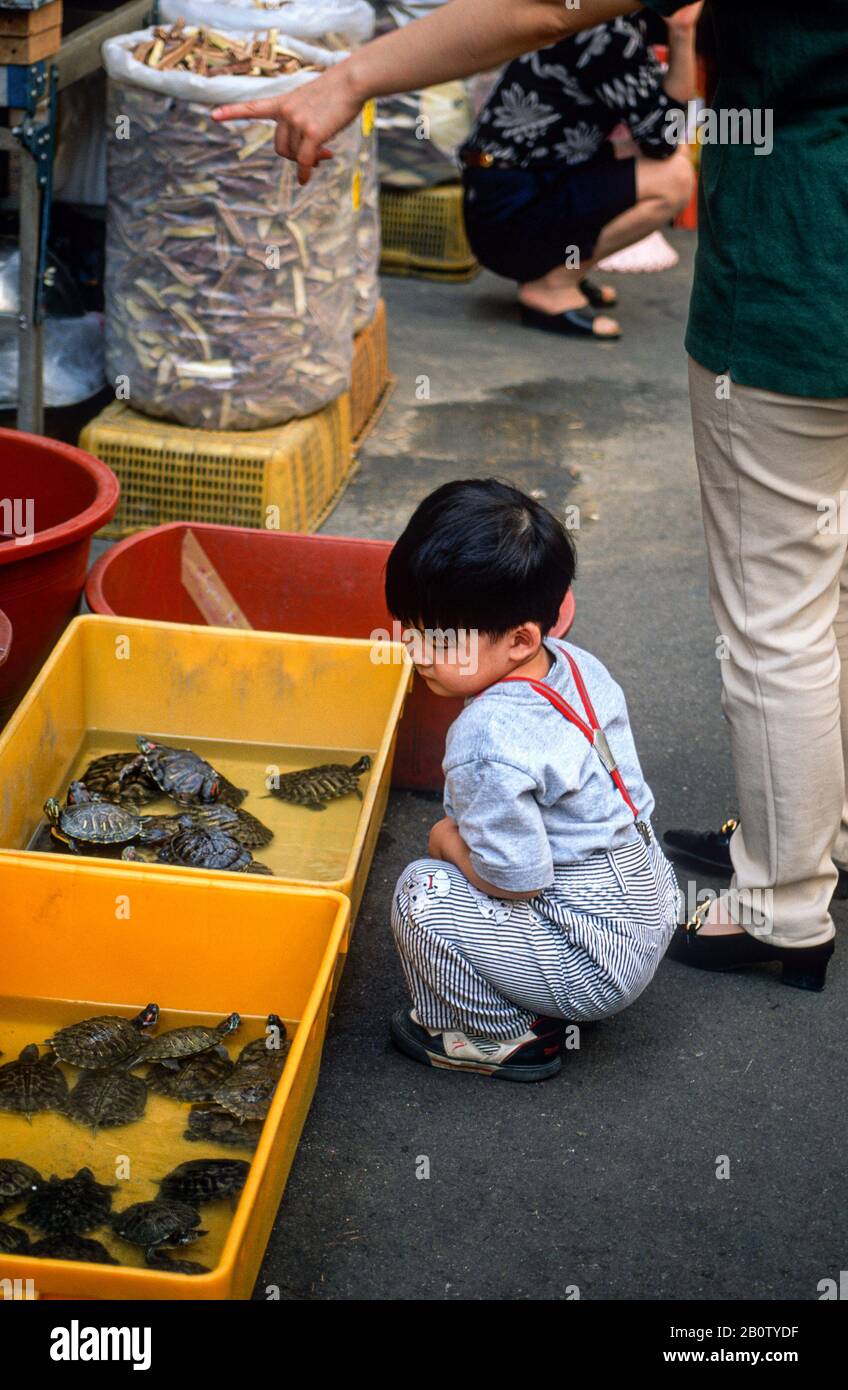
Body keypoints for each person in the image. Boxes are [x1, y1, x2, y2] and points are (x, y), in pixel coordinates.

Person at [216, 0, 848, 993]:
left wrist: (349, 77)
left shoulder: (489, 732)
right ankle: (814, 833)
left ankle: (783, 905)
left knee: (776, 616)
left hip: (802, 269)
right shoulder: (574, 686)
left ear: (538, 627)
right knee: (827, 570)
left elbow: (533, 9)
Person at [382, 479, 680, 1080]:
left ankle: (499, 1035)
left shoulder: (485, 738)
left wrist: (444, 839)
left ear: (520, 639)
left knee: (421, 893)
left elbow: (514, 881)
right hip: (646, 906)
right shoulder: (574, 664)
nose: (415, 649)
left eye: (438, 636)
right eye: (409, 626)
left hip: (593, 960)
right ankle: (544, 990)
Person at [459, 8, 699, 340]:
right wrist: (683, 35)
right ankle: (551, 284)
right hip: (507, 214)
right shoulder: (607, 34)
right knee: (674, 178)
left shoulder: (605, 18)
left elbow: (664, 129)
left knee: (665, 158)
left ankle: (563, 264)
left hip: (511, 190)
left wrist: (681, 33)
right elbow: (663, 141)